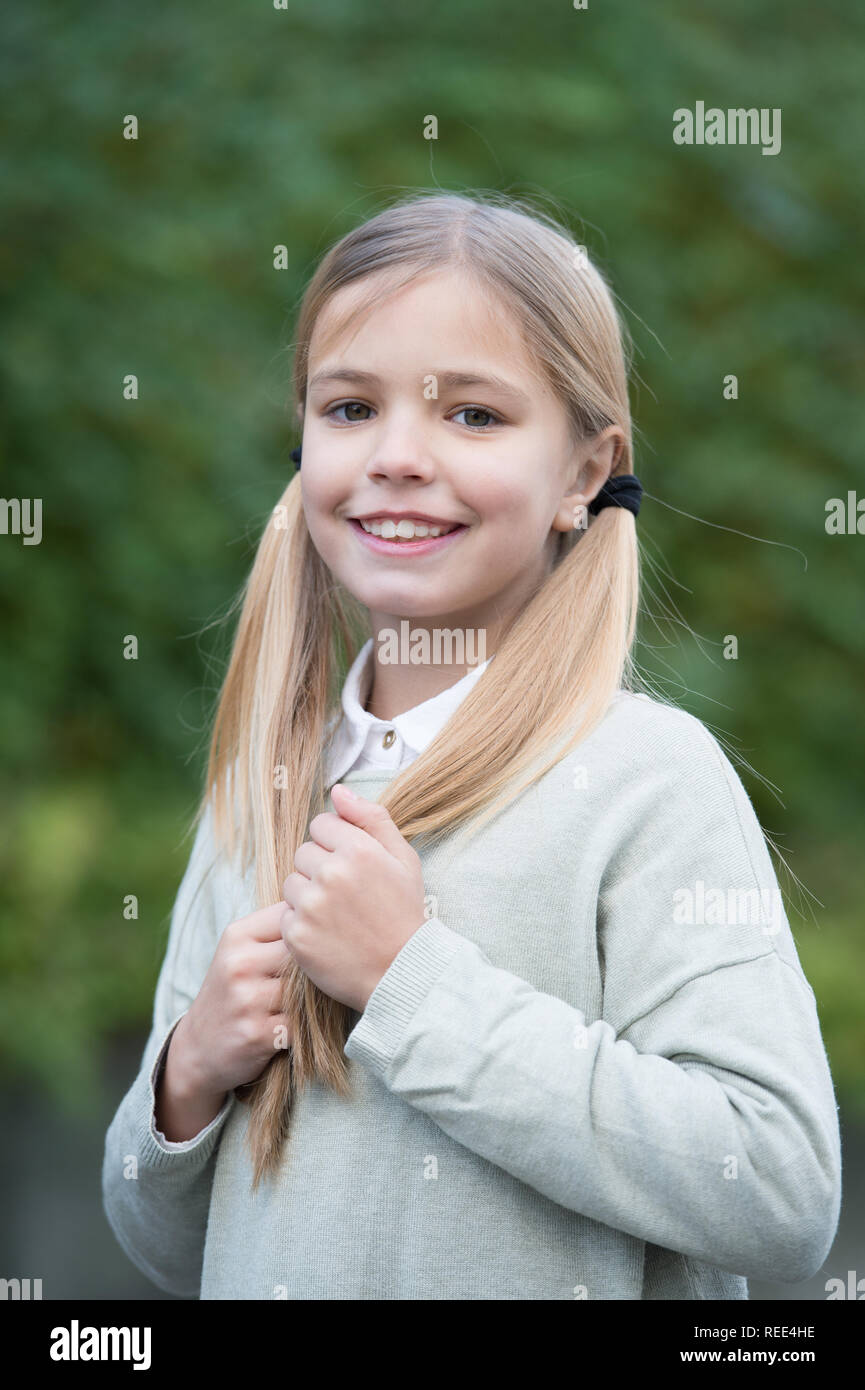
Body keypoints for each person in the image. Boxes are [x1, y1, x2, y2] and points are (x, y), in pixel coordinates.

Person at [102, 190, 841, 1300]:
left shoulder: (648, 778)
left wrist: (411, 983)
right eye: (349, 408)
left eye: (473, 416)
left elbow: (779, 1189)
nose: (397, 456)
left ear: (584, 475)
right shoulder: (259, 790)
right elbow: (171, 1251)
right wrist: (186, 1079)